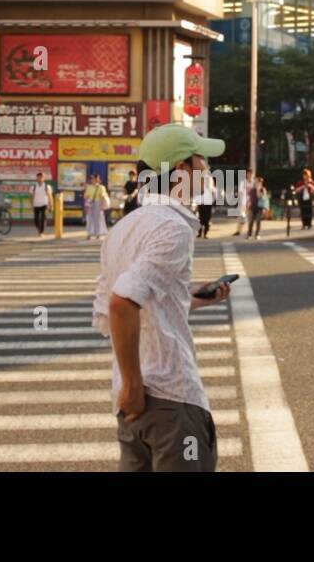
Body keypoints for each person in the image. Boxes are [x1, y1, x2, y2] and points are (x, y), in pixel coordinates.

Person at [92, 123, 230, 472]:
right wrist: (135, 384)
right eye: (203, 162)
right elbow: (122, 303)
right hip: (169, 399)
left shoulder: (123, 227)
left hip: (132, 409)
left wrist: (192, 298)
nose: (208, 171)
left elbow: (112, 312)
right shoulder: (173, 227)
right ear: (182, 170)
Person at [84, 173, 110, 240]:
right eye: (92, 179)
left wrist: (102, 206)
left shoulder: (101, 187)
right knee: (89, 218)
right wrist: (86, 205)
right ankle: (89, 234)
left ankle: (97, 234)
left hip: (98, 203)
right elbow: (86, 196)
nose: (92, 180)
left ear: (96, 179)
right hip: (90, 203)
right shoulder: (89, 187)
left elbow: (102, 197)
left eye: (93, 179)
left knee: (97, 219)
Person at [32, 171, 53, 237]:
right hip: (36, 204)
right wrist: (32, 205)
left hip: (44, 204)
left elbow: (50, 196)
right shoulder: (34, 187)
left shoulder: (47, 186)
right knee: (36, 219)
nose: (40, 179)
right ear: (37, 178)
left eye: (41, 177)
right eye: (39, 177)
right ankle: (39, 229)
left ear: (44, 178)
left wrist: (51, 205)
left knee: (43, 218)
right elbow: (31, 197)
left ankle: (41, 232)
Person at [233, 169, 254, 236]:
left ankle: (249, 231)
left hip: (252, 202)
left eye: (251, 174)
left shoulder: (254, 183)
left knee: (249, 218)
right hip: (243, 202)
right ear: (247, 174)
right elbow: (240, 193)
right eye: (248, 174)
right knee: (241, 217)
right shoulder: (243, 182)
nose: (250, 175)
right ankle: (238, 231)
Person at [197, 174, 216, 239]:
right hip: (201, 204)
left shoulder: (212, 189)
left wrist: (211, 201)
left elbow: (214, 195)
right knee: (200, 220)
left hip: (208, 204)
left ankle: (205, 234)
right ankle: (199, 233)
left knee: (207, 220)